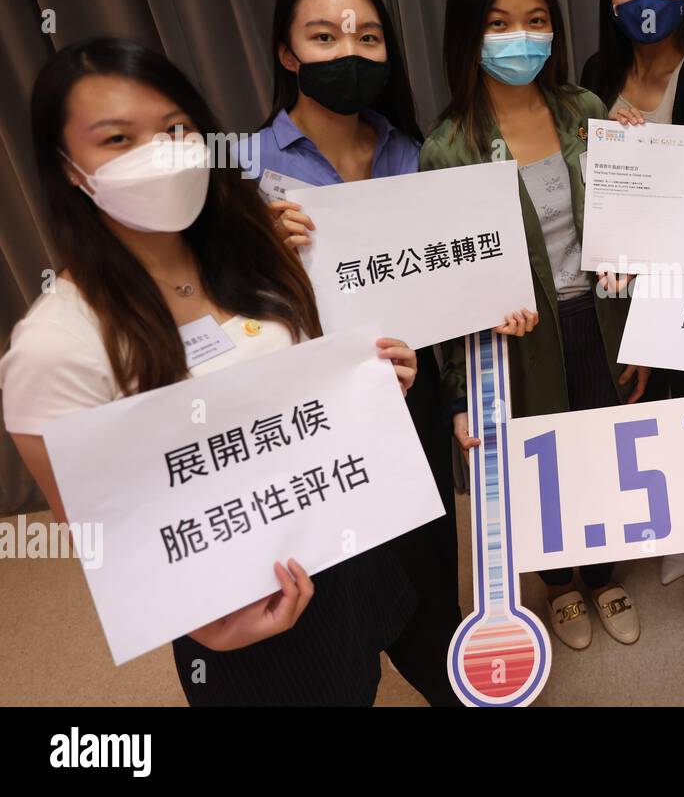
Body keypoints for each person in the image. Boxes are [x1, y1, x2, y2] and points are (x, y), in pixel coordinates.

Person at [0, 37, 422, 706]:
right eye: (116, 138)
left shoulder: (251, 246)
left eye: (174, 128)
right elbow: (104, 528)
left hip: (337, 540)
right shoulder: (57, 346)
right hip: (245, 603)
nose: (159, 152)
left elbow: (302, 378)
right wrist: (204, 623)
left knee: (361, 678)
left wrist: (372, 381)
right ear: (68, 168)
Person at [249, 0, 509, 706]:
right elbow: (210, 313)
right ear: (287, 52)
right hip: (315, 419)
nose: (349, 52)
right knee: (337, 588)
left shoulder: (413, 149)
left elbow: (453, 280)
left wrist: (496, 305)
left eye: (367, 37)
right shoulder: (247, 170)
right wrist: (252, 248)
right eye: (324, 36)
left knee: (430, 569)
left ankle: (453, 676)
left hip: (412, 397)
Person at [419, 0, 651, 652]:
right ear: (468, 34)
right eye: (498, 23)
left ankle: (605, 573)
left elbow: (628, 226)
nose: (521, 38)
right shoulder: (448, 147)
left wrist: (637, 153)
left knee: (604, 449)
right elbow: (448, 291)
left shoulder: (583, 109)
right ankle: (556, 586)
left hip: (600, 316)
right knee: (542, 465)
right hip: (518, 343)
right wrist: (462, 394)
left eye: (536, 19)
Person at [580, 0, 684, 586]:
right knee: (618, 398)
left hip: (678, 270)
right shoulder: (594, 74)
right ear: (610, 1)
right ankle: (629, 518)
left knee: (679, 397)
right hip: (609, 268)